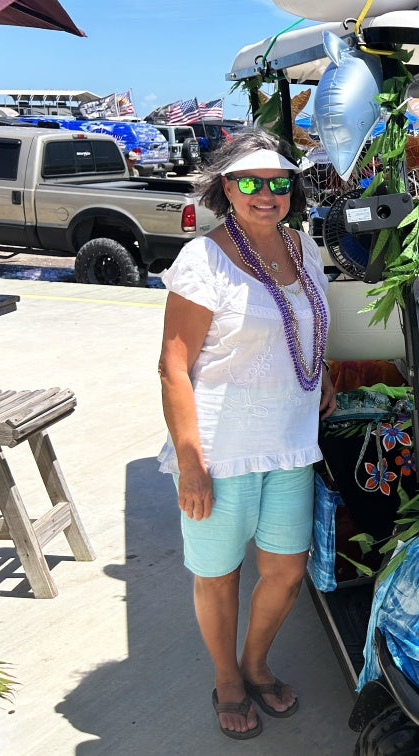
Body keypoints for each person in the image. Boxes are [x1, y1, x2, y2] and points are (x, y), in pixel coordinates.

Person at [157, 129, 336, 740]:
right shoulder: (203, 259)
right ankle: (227, 678)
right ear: (226, 187)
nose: (266, 192)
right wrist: (190, 463)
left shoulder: (304, 248)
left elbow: (304, 320)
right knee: (220, 572)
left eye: (278, 181)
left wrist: (322, 367)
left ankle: (257, 663)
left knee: (287, 569)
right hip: (221, 446)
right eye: (250, 181)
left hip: (291, 440)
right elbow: (173, 365)